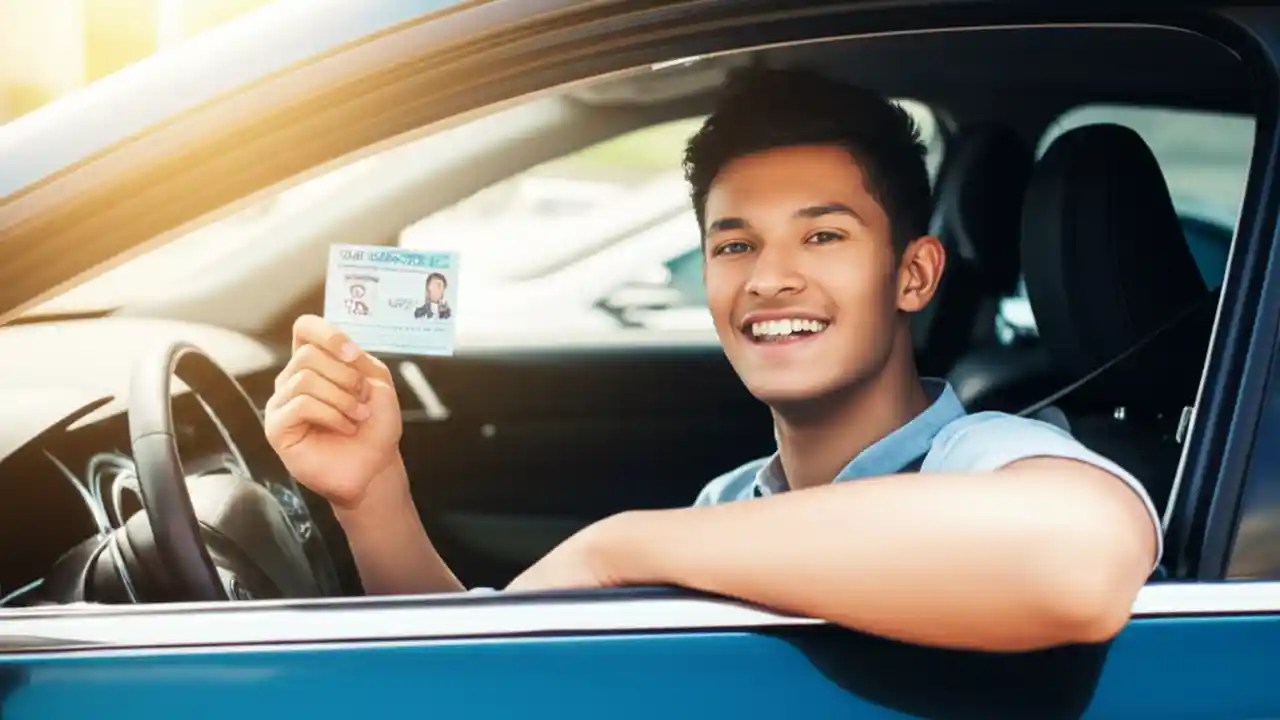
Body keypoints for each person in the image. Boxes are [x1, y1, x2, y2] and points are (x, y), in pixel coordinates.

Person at [263, 68, 1159, 652]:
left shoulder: (988, 453)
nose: (771, 279)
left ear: (914, 273)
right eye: (734, 247)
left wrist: (618, 546)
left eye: (823, 235)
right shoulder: (732, 505)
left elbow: (1074, 563)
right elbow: (496, 659)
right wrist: (373, 494)